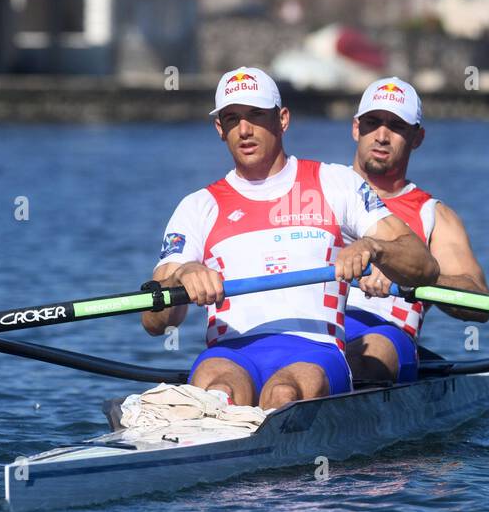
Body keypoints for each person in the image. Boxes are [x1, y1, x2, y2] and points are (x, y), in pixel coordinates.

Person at [142, 67, 441, 409]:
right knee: (218, 389)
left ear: (282, 119)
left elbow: (423, 266)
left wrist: (374, 248)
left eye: (256, 115)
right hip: (230, 353)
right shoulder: (198, 206)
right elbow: (154, 322)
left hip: (315, 349)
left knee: (283, 394)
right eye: (232, 118)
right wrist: (181, 276)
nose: (244, 129)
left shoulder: (336, 183)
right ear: (219, 129)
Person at [343, 77, 489, 384]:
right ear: (356, 128)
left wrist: (415, 273)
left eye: (396, 127)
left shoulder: (435, 216)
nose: (382, 136)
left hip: (385, 339)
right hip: (315, 330)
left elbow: (479, 306)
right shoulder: (318, 189)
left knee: (369, 356)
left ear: (417, 138)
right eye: (373, 122)